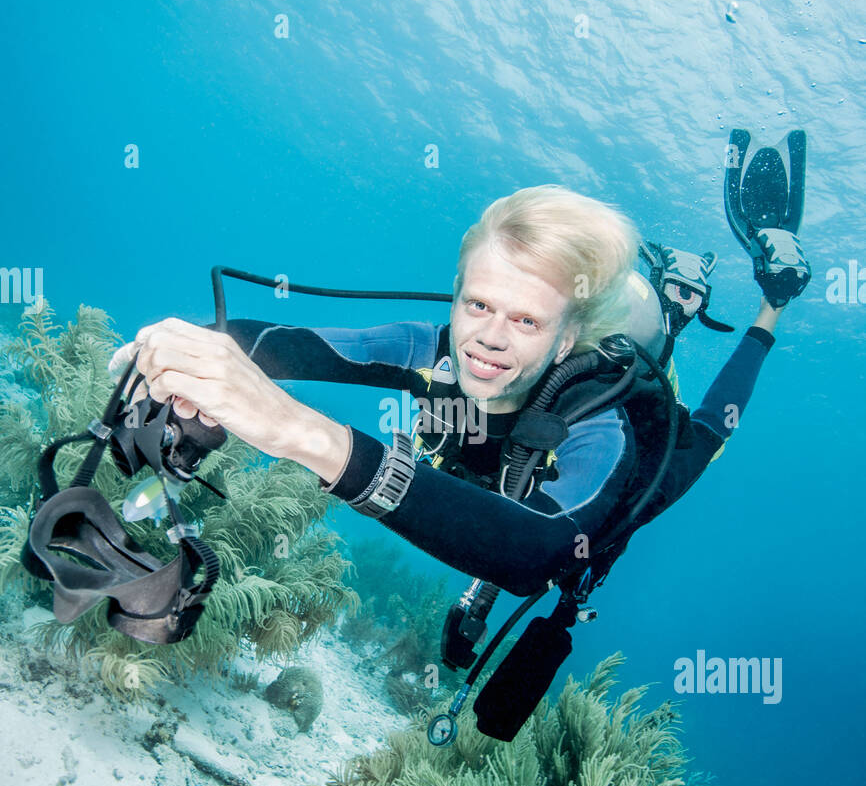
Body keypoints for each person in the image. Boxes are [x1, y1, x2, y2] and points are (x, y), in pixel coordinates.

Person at [110, 180, 804, 605]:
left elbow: (537, 549)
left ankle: (764, 302)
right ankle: (668, 300)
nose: (488, 340)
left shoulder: (603, 423)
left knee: (707, 437)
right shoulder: (437, 344)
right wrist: (186, 344)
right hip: (483, 476)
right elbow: (292, 342)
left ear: (566, 342)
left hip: (613, 471)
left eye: (526, 319)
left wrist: (303, 434)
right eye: (477, 305)